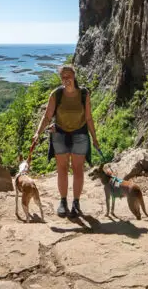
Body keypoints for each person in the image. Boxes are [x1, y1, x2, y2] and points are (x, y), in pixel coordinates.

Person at [32, 65, 100, 218]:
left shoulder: (83, 94)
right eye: (63, 77)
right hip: (60, 134)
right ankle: (63, 202)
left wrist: (94, 138)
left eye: (68, 76)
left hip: (80, 134)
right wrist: (37, 133)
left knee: (77, 169)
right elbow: (47, 116)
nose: (66, 80)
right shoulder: (56, 94)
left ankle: (76, 202)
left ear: (74, 76)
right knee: (62, 169)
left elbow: (89, 117)